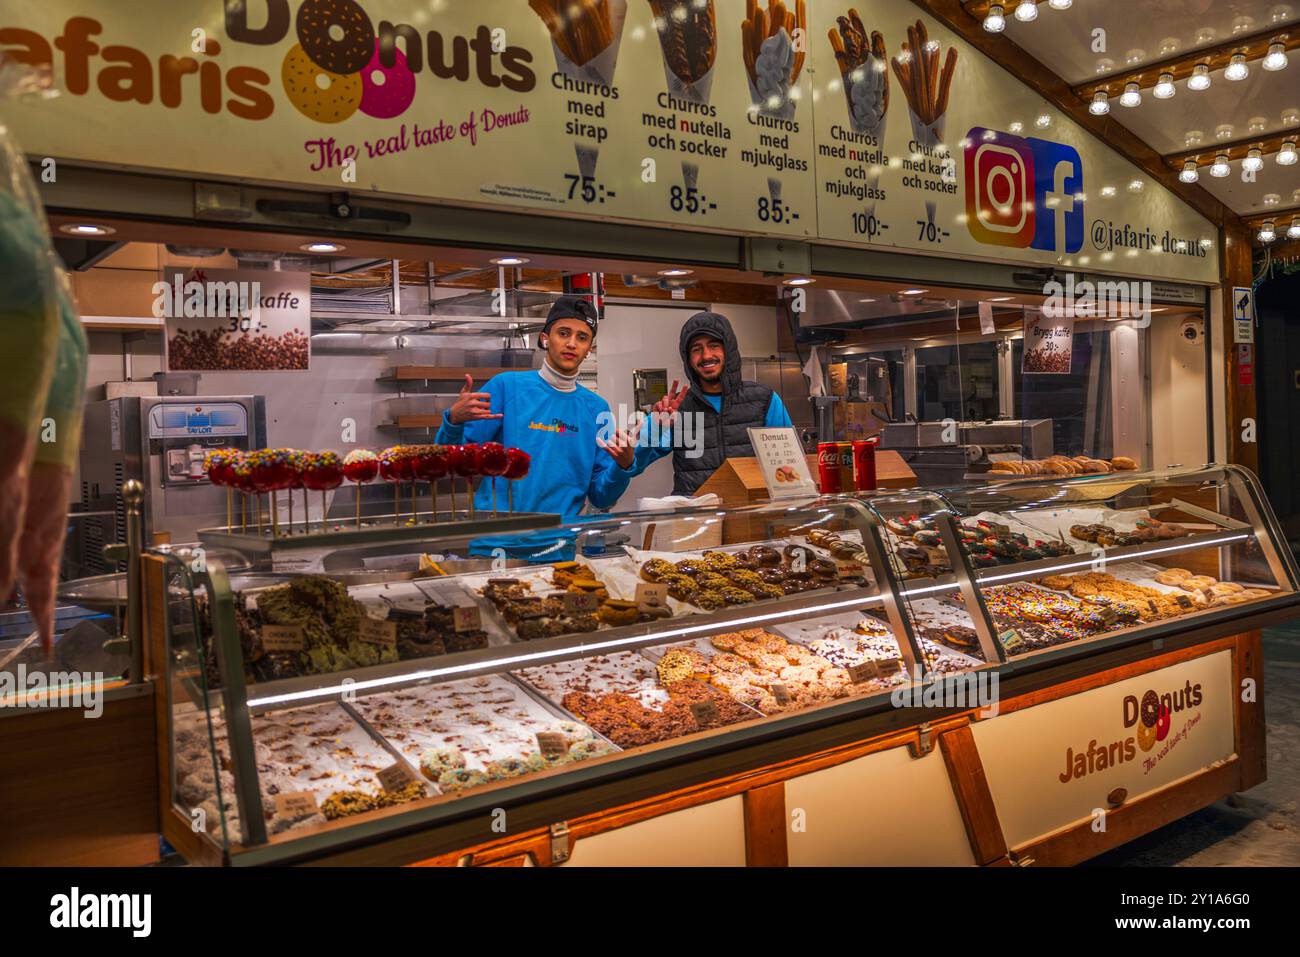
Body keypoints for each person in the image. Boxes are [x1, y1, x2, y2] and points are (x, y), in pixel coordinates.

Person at [435, 295, 642, 525]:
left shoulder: (597, 409)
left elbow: (602, 497)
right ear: (545, 339)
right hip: (496, 542)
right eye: (563, 333)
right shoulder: (506, 387)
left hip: (557, 548)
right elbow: (451, 465)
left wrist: (624, 467)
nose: (572, 343)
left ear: (589, 350)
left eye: (582, 337)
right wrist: (453, 421)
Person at [644, 311, 794, 495]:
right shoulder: (677, 408)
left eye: (714, 345)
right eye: (696, 349)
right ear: (688, 359)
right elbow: (633, 463)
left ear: (728, 350)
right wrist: (655, 426)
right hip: (697, 517)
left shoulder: (765, 400)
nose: (706, 356)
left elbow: (789, 463)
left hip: (750, 513)